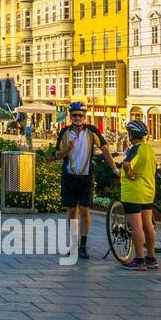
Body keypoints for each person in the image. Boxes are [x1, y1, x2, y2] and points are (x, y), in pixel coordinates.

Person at [54, 101, 118, 260]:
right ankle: (74, 244)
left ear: (84, 116)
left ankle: (83, 245)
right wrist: (68, 148)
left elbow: (105, 150)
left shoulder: (92, 131)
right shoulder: (65, 132)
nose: (77, 118)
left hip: (86, 177)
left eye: (80, 115)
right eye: (74, 115)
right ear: (70, 116)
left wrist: (115, 169)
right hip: (69, 177)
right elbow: (57, 155)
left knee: (84, 210)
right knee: (71, 210)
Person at [120, 119, 159, 270]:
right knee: (148, 224)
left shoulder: (136, 149)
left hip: (134, 192)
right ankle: (151, 257)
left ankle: (139, 260)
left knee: (136, 226)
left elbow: (126, 164)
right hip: (148, 191)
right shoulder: (149, 149)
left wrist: (129, 174)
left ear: (131, 134)